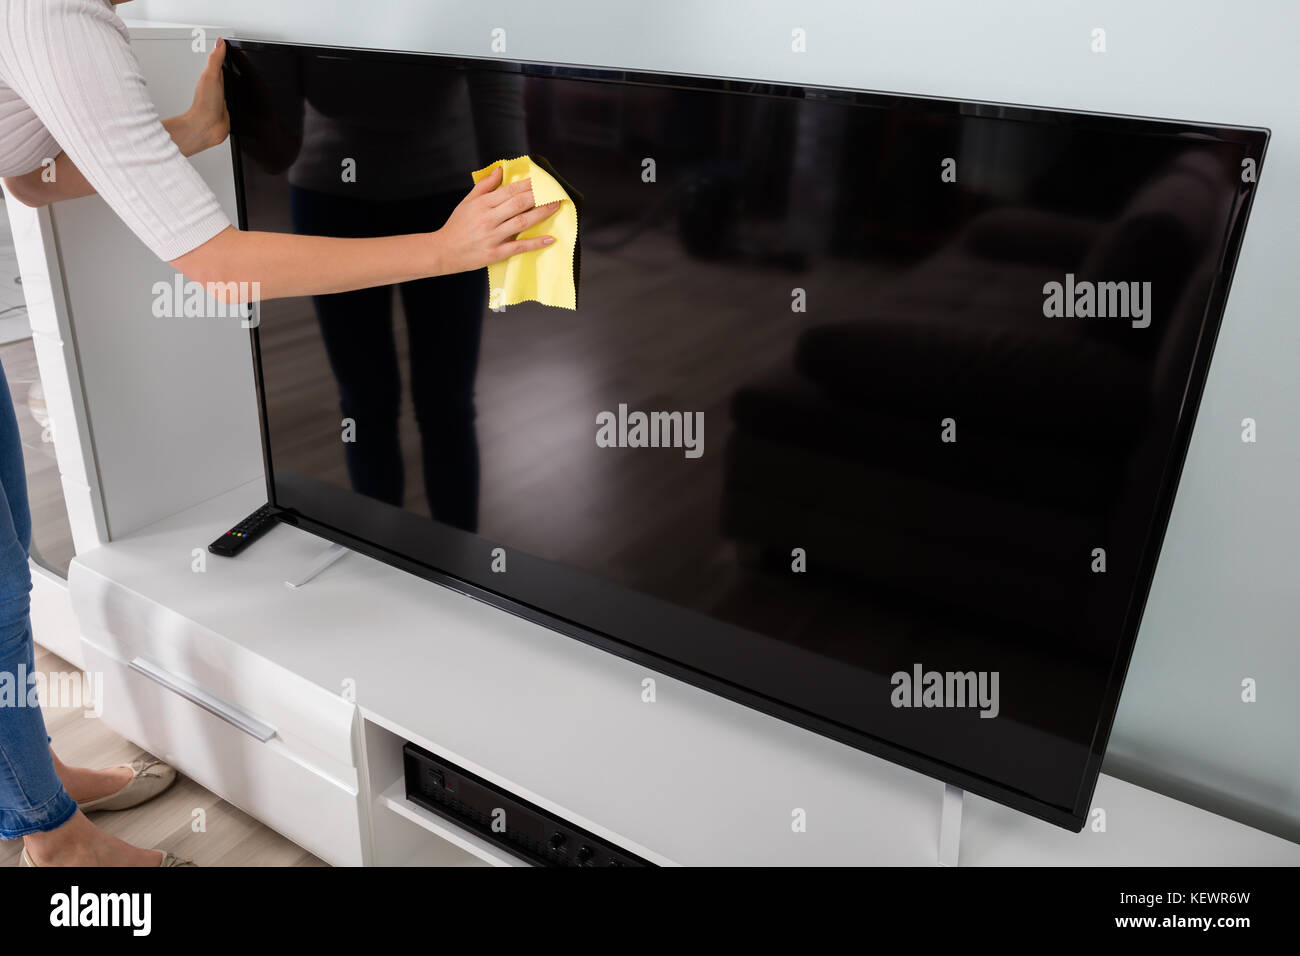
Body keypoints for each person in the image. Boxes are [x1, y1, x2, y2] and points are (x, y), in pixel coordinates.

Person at [0, 0, 557, 866]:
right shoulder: (57, 21)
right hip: (358, 204)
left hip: (446, 184)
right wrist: (448, 250)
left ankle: (35, 779)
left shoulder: (62, 22)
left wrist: (184, 131)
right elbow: (221, 265)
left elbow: (25, 178)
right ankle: (51, 838)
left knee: (10, 552)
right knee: (1, 593)